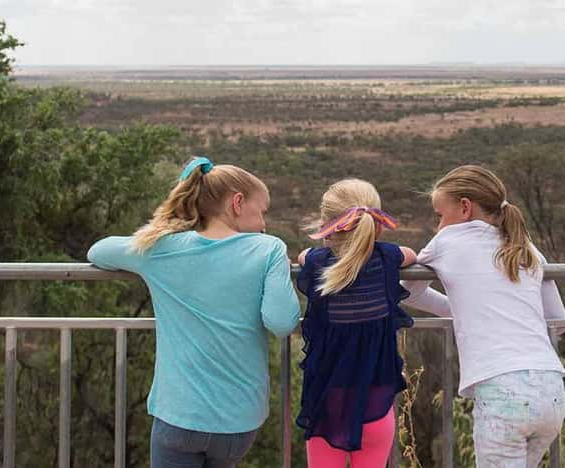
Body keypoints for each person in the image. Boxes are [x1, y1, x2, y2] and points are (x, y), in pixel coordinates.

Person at [87, 156, 300, 468]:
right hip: (238, 423)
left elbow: (98, 251)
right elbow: (281, 323)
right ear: (237, 203)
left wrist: (163, 232)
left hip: (179, 417)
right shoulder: (267, 249)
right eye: (262, 211)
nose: (264, 224)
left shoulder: (161, 249)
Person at [403, 164, 565, 467]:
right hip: (551, 389)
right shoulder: (526, 247)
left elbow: (408, 291)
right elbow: (557, 317)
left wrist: (461, 310)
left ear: (465, 208)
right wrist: (473, 310)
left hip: (502, 391)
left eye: (440, 216)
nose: (438, 227)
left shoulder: (445, 243)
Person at [295, 178, 416, 467]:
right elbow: (411, 255)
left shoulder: (316, 263)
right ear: (378, 223)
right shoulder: (387, 259)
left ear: (328, 225)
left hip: (328, 406)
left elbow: (302, 255)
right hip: (377, 404)